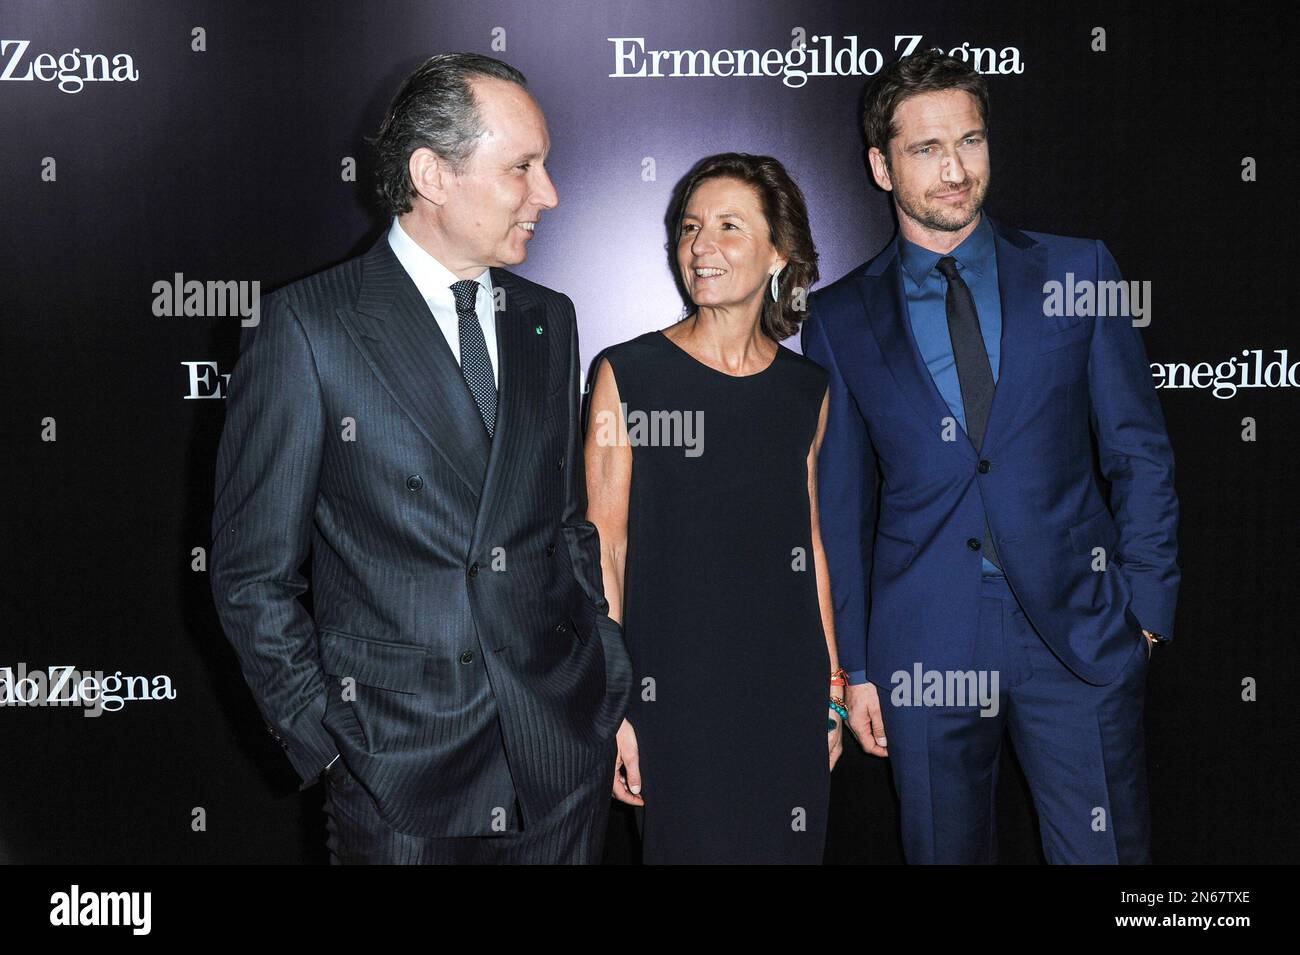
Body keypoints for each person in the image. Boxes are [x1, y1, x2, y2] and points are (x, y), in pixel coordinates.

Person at [210, 52, 631, 864]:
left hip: (561, 760)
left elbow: (567, 526)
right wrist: (333, 746)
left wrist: (603, 683)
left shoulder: (550, 318)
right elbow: (251, 574)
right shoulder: (309, 328)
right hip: (400, 776)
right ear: (433, 174)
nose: (548, 194)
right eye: (523, 167)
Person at [802, 50, 1179, 863]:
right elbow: (839, 504)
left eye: (969, 142)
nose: (954, 169)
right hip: (923, 644)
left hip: (1079, 637)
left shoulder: (1081, 269)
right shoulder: (838, 316)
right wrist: (856, 667)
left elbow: (1139, 450)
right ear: (881, 165)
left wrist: (1145, 611)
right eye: (926, 149)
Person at [585, 153, 845, 864]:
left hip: (787, 690)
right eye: (691, 227)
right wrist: (617, 708)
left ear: (778, 253)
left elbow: (811, 542)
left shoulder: (807, 389)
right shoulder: (627, 373)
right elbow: (604, 545)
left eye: (730, 227)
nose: (702, 246)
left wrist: (831, 689)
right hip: (676, 697)